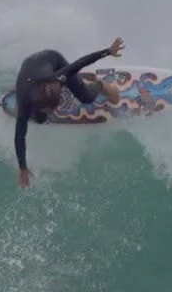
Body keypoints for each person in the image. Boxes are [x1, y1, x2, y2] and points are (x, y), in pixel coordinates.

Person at [13, 37, 125, 188]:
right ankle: (76, 82)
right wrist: (23, 167)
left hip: (52, 59)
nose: (57, 109)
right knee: (39, 119)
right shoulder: (24, 102)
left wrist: (107, 51)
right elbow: (19, 136)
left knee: (85, 97)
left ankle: (98, 84)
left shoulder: (56, 77)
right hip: (29, 69)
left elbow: (80, 63)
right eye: (53, 107)